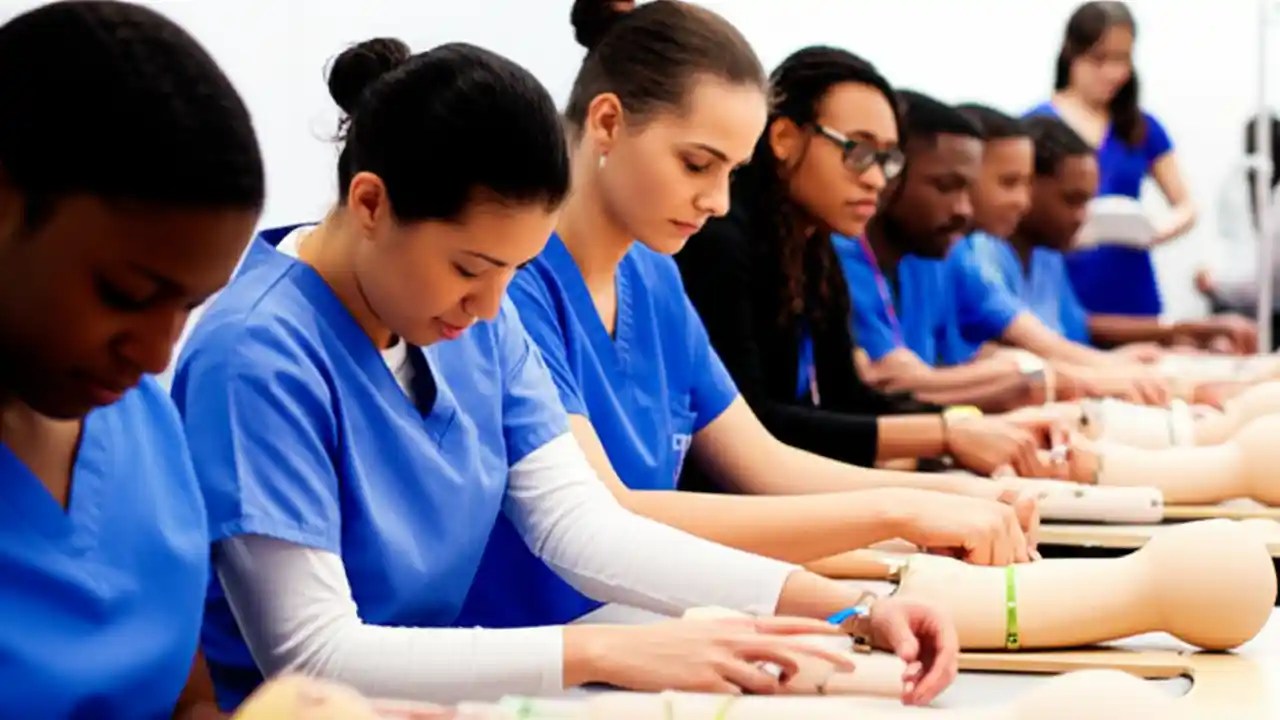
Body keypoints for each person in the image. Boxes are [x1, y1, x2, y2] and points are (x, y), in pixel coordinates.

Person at [171, 35, 954, 710]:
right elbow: (313, 654)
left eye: (513, 270)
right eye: (469, 267)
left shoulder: (477, 314)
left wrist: (849, 608)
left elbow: (579, 527)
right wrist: (601, 656)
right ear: (370, 204)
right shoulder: (257, 354)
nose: (488, 308)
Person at [457, 3, 1037, 684]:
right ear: (608, 122)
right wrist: (904, 508)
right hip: (533, 657)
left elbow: (763, 463)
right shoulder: (512, 282)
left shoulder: (654, 277)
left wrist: (956, 502)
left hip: (644, 628)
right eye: (697, 164)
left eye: (731, 171)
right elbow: (607, 515)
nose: (719, 201)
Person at [0, 2, 264, 718]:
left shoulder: (139, 422)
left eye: (187, 307)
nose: (156, 355)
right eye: (126, 294)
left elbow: (186, 701)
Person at [673, 46, 1064, 480]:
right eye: (857, 150)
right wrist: (946, 432)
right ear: (784, 139)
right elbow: (756, 427)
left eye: (888, 159)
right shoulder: (718, 243)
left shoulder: (814, 251)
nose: (876, 178)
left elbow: (847, 398)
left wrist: (977, 426)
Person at [839, 90, 1097, 411]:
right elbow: (895, 380)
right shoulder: (844, 253)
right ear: (890, 177)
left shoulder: (937, 252)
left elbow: (957, 363)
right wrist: (1022, 374)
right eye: (946, 187)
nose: (964, 209)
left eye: (967, 189)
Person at [943, 103, 1173, 404]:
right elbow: (998, 357)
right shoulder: (971, 253)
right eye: (1009, 183)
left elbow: (1043, 342)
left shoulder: (1029, 255)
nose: (1022, 202)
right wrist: (1099, 375)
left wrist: (1113, 367)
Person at [1028, 0, 1195, 318]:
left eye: (1122, 60)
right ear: (1072, 53)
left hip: (1131, 294)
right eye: (1099, 59)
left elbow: (1186, 206)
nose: (1113, 73)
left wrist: (1153, 231)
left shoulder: (1141, 128)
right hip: (1061, 292)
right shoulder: (1037, 126)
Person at [1196, 114, 1280, 346]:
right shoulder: (1233, 183)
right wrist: (1206, 270)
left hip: (1271, 307)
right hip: (1230, 302)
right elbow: (1219, 235)